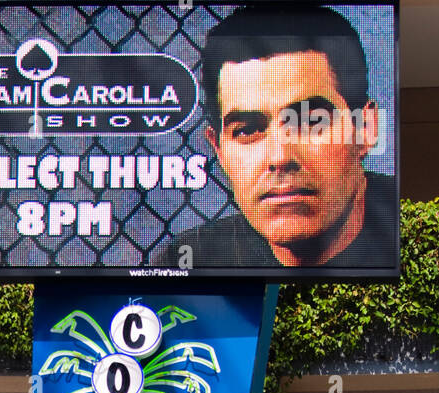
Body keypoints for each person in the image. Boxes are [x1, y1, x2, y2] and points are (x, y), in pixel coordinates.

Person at [156, 4, 396, 270]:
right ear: (219, 150)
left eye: (310, 122)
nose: (280, 157)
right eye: (247, 131)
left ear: (365, 128)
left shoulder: (414, 233)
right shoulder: (191, 261)